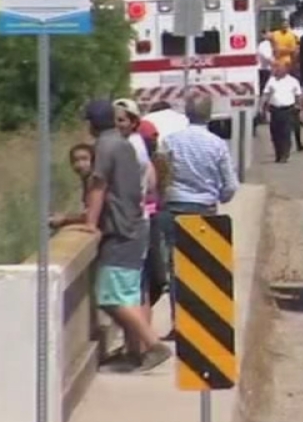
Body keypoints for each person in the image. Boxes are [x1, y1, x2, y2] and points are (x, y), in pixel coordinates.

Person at [70, 99, 171, 372]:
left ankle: (153, 345)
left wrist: (90, 221)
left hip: (121, 230)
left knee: (111, 297)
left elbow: (99, 186)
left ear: (93, 123)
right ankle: (135, 352)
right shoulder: (125, 143)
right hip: (135, 226)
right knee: (127, 294)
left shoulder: (105, 146)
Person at [160, 93, 241, 327]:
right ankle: (202, 321)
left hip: (174, 207)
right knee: (204, 267)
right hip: (204, 209)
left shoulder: (170, 141)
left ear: (187, 113)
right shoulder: (217, 144)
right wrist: (220, 197)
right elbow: (231, 185)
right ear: (209, 115)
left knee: (176, 269)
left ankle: (179, 322)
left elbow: (161, 174)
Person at [113, 100, 165, 310]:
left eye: (121, 120)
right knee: (141, 283)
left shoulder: (129, 148)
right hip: (141, 218)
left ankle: (141, 340)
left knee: (132, 286)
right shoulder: (138, 144)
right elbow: (152, 183)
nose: (117, 124)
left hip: (132, 222)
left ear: (134, 122)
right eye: (114, 120)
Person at [263, 60, 303, 163]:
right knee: (275, 134)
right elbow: (265, 94)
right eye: (276, 68)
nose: (277, 70)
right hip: (274, 110)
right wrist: (262, 107)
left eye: (279, 68)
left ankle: (285, 155)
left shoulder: (293, 81)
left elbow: (299, 96)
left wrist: (302, 109)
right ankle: (278, 154)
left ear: (285, 70)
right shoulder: (271, 81)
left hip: (288, 110)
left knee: (286, 133)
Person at [49, 144, 95, 230]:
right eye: (75, 160)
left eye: (84, 159)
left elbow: (93, 215)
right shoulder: (86, 180)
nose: (80, 164)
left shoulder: (95, 182)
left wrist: (65, 219)